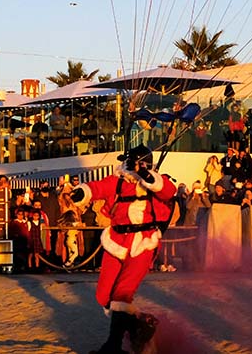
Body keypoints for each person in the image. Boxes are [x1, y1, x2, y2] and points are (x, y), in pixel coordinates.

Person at [70, 146, 172, 354]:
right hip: (116, 241)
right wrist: (83, 191)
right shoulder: (118, 180)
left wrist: (145, 174)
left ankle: (113, 346)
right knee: (103, 295)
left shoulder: (153, 182)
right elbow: (98, 187)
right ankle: (138, 327)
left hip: (143, 242)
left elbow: (167, 190)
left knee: (122, 293)